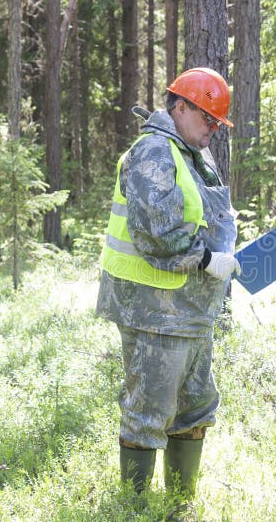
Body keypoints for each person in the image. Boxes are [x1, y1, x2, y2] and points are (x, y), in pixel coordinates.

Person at [96, 67, 241, 501]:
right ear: (180, 107)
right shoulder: (154, 152)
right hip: (152, 309)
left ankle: (180, 504)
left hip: (192, 310)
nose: (213, 129)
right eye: (208, 119)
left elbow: (204, 219)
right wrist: (209, 258)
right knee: (149, 412)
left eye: (218, 122)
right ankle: (135, 509)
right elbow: (157, 233)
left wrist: (232, 252)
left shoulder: (195, 154)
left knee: (196, 406)